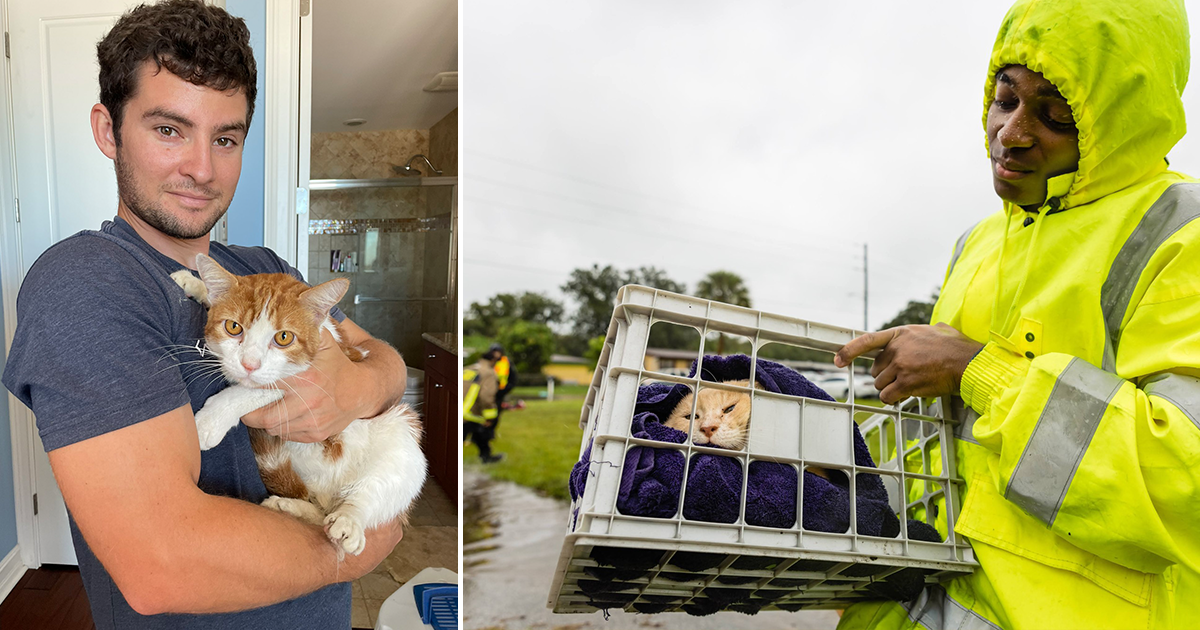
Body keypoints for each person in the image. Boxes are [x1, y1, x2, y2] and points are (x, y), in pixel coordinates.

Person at [0, 2, 406, 627]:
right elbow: (165, 564)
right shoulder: (86, 282)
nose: (202, 169)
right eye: (168, 130)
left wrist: (356, 387)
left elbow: (380, 356)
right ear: (108, 131)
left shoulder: (264, 267)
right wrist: (352, 553)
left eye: (226, 138)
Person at [833, 0, 1200, 628]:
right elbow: (943, 447)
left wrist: (979, 370)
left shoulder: (1179, 235)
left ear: (1121, 125)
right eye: (1006, 101)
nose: (1013, 133)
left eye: (1056, 115)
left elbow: (1183, 479)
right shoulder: (976, 243)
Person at [463, 346, 505, 463]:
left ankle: (486, 456)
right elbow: (486, 397)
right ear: (493, 361)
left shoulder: (468, 369)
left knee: (480, 434)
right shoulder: (489, 373)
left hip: (459, 410)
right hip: (468, 414)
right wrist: (490, 417)